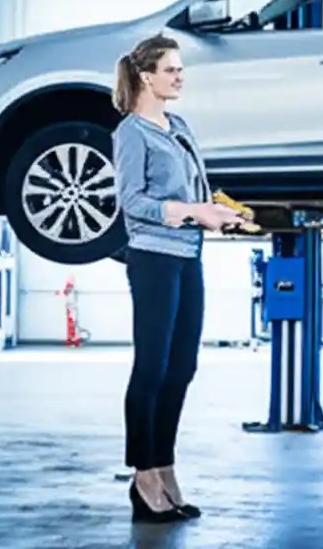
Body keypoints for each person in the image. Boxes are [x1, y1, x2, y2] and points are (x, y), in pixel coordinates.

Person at [112, 33, 249, 523]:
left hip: (189, 253)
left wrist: (216, 211)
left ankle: (165, 467)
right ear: (146, 76)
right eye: (171, 69)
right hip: (152, 257)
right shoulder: (132, 132)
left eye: (180, 68)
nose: (180, 76)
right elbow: (131, 202)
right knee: (150, 367)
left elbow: (195, 187)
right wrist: (192, 211)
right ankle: (143, 475)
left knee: (181, 367)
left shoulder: (179, 125)